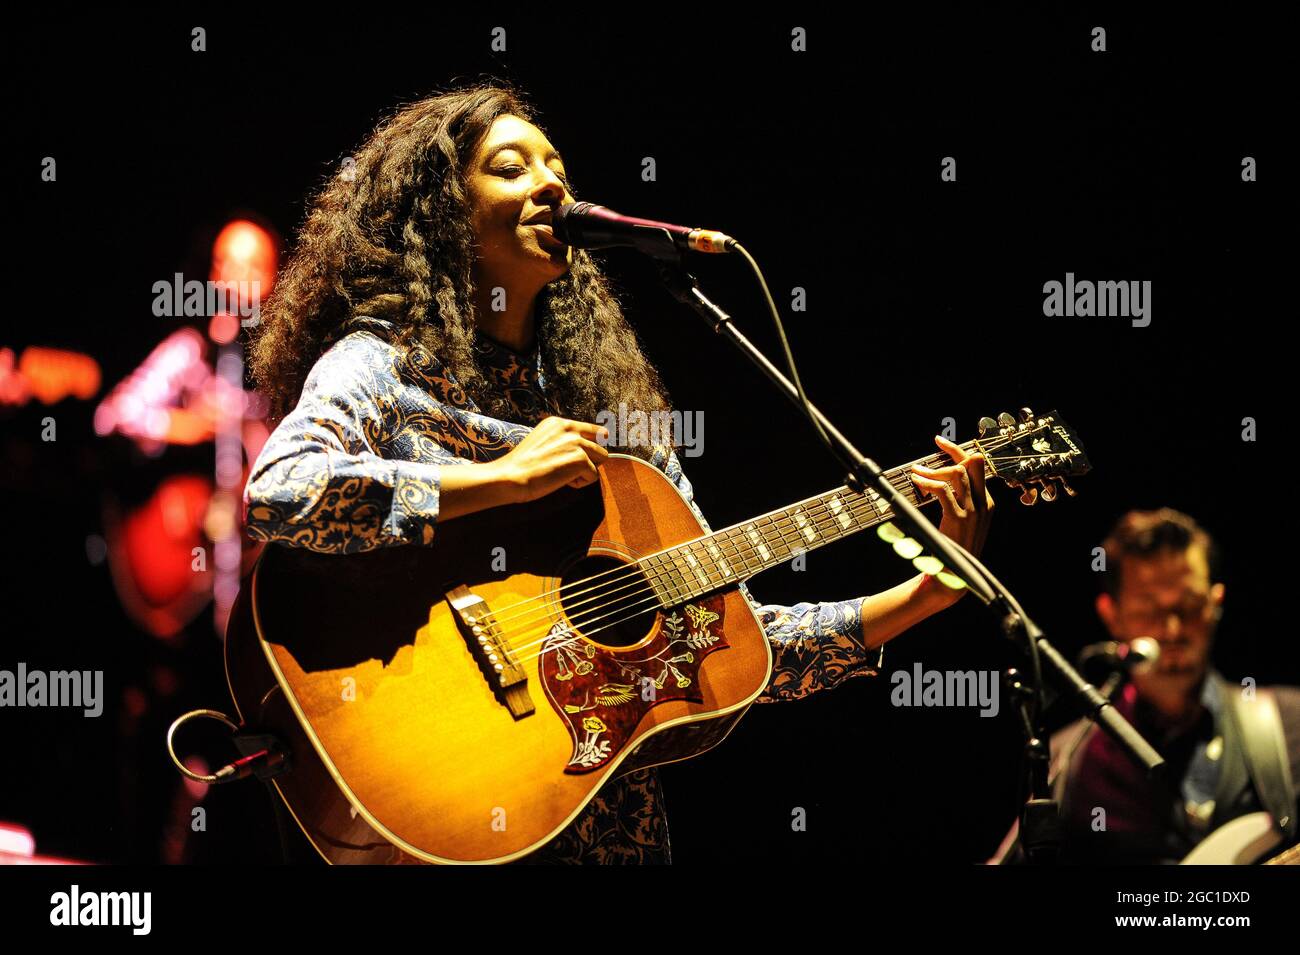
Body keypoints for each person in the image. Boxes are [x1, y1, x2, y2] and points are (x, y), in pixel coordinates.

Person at [243, 82, 994, 864]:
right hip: (446, 796)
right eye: (510, 167)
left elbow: (734, 642)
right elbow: (279, 494)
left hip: (612, 835)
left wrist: (928, 593)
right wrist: (504, 480)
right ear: (439, 213)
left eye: (557, 166)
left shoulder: (615, 419)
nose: (551, 183)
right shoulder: (383, 367)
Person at [990, 508, 1300, 864]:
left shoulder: (1292, 722)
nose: (1172, 629)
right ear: (1112, 615)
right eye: (1148, 608)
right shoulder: (1070, 758)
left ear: (1216, 603)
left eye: (1189, 604)